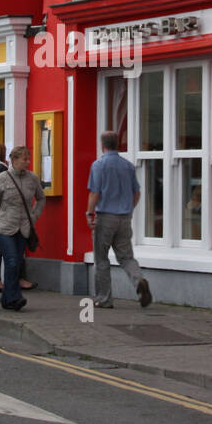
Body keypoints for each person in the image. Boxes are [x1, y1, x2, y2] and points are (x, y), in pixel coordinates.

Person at [86, 130, 150, 308]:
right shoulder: (128, 166)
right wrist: (128, 209)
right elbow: (136, 193)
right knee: (126, 257)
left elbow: (94, 193)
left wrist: (90, 214)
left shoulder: (98, 165)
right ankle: (139, 281)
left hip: (105, 217)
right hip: (124, 217)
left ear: (102, 145)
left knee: (101, 259)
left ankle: (104, 299)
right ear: (118, 144)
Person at [0, 146, 45, 312]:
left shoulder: (32, 179)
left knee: (15, 263)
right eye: (24, 159)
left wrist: (34, 217)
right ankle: (15, 297)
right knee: (12, 260)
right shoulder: (2, 178)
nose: (28, 162)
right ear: (14, 160)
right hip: (2, 227)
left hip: (23, 228)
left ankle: (6, 298)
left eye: (28, 159)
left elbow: (41, 198)